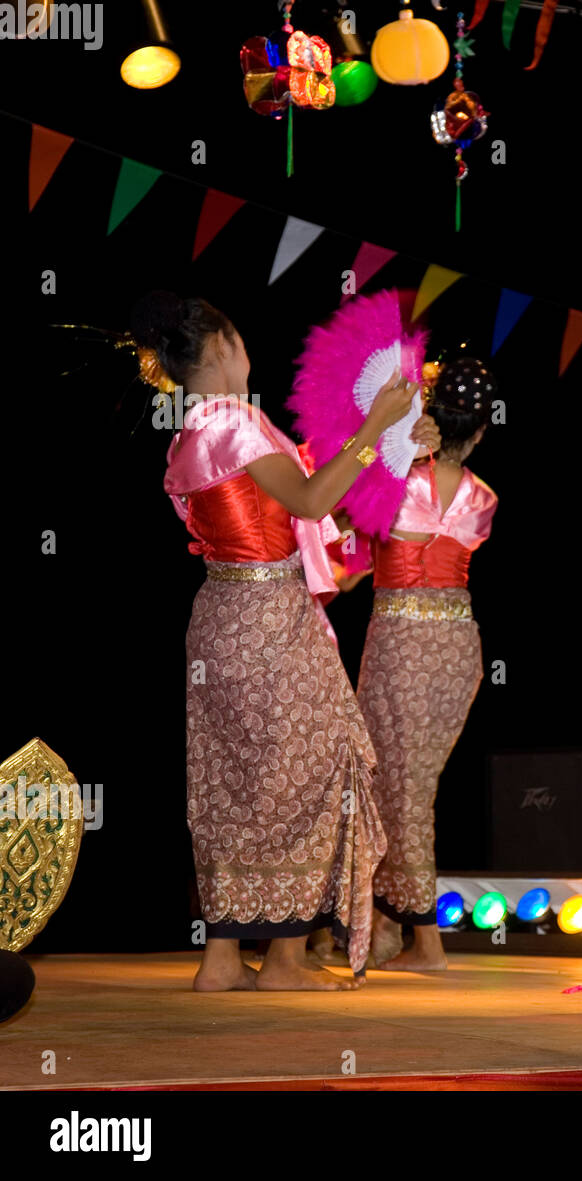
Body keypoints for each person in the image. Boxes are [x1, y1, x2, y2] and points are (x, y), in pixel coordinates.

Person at [144, 290, 437, 991]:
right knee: (307, 772)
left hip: (221, 613)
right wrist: (375, 426)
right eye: (240, 339)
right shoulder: (238, 425)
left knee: (231, 783)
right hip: (269, 614)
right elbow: (309, 502)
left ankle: (221, 958)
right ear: (219, 347)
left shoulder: (191, 433)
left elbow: (297, 497)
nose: (248, 351)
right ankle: (282, 957)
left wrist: (387, 447)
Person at [358, 359, 498, 971]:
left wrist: (391, 451)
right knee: (410, 786)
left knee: (401, 789)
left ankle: (426, 942)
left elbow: (347, 536)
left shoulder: (396, 483)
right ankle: (388, 925)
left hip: (399, 639)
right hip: (457, 643)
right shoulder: (485, 497)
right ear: (482, 431)